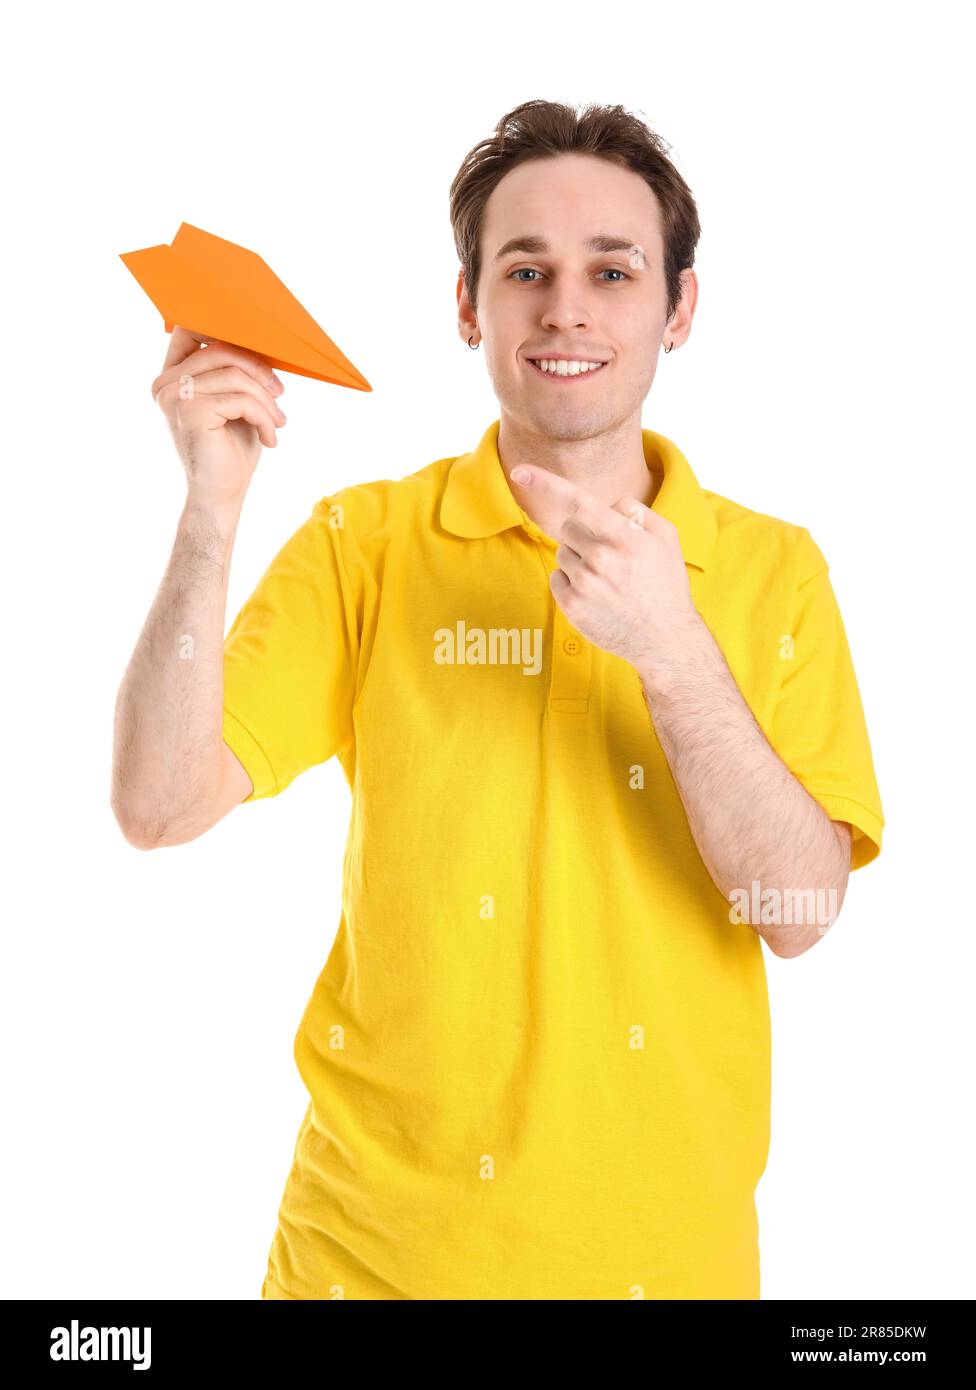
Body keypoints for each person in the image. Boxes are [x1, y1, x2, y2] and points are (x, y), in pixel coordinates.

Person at [111, 99, 884, 1300]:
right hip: (365, 1267)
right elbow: (157, 806)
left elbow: (798, 909)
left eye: (611, 271)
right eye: (524, 268)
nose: (565, 306)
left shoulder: (777, 571)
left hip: (665, 1272)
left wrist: (673, 651)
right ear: (468, 305)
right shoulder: (362, 544)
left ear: (677, 309)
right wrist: (212, 506)